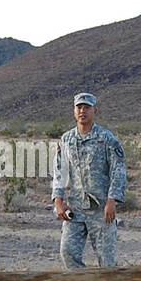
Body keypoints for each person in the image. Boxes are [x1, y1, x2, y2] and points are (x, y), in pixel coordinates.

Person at [52, 92, 126, 269]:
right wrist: (58, 201)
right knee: (68, 253)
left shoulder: (106, 138)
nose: (82, 111)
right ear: (74, 111)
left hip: (101, 209)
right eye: (79, 107)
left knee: (106, 262)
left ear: (95, 111)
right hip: (76, 208)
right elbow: (59, 171)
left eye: (87, 108)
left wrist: (112, 200)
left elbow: (118, 170)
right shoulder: (67, 139)